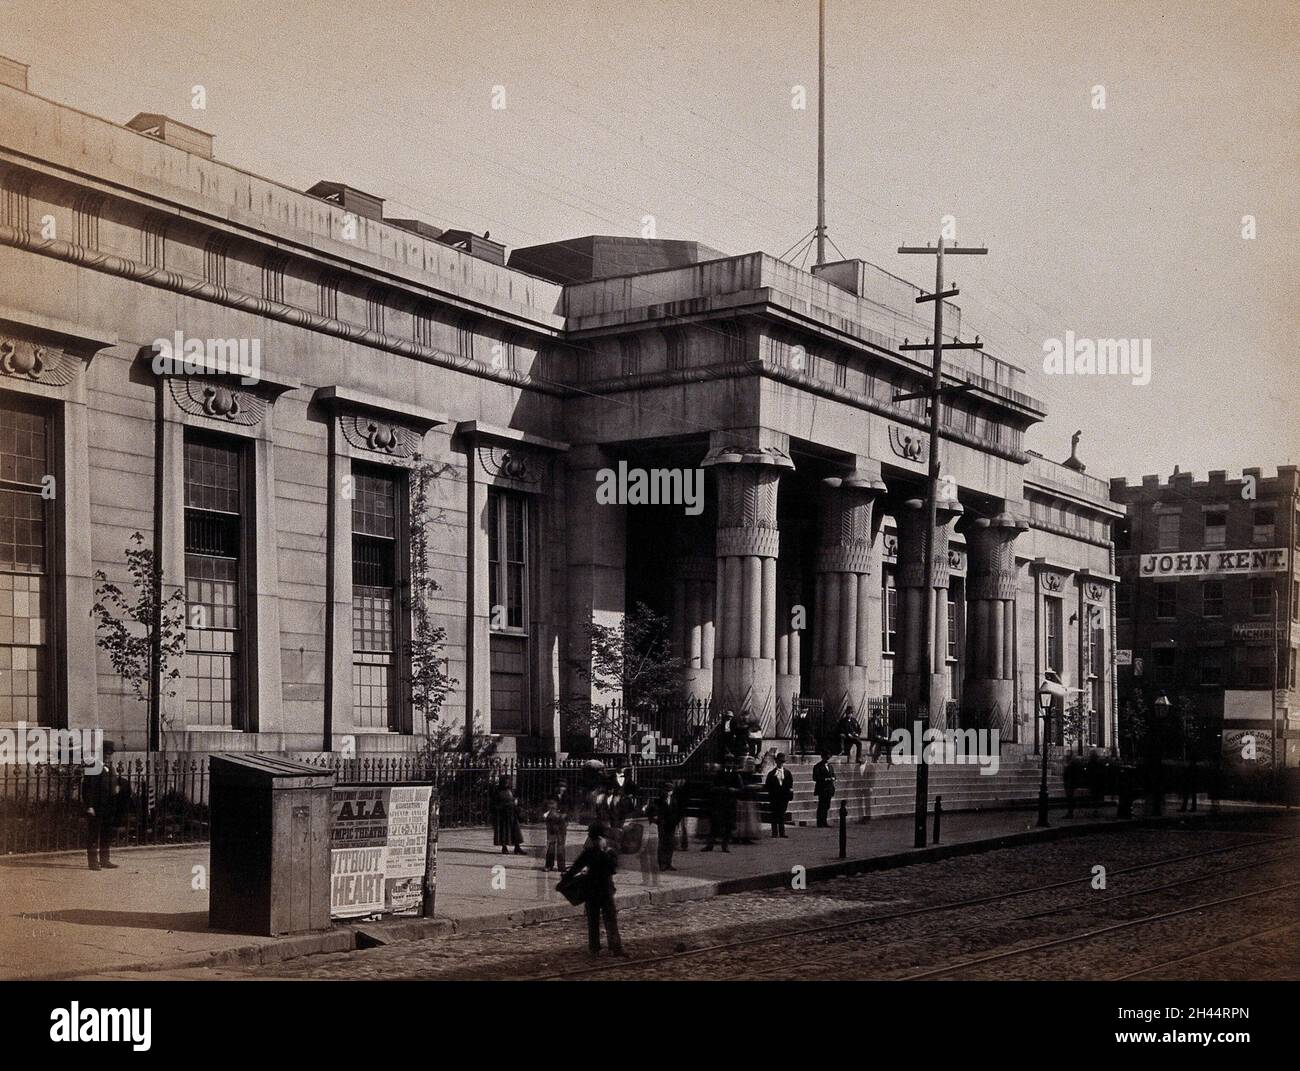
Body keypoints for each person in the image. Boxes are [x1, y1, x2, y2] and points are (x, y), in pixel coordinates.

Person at [563, 822, 625, 956]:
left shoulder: (590, 853)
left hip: (592, 891)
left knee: (593, 920)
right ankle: (615, 948)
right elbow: (613, 869)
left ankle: (595, 948)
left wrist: (565, 880)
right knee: (609, 919)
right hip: (605, 891)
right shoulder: (607, 852)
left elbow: (575, 867)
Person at [82, 741, 125, 871]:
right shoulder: (93, 767)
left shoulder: (110, 768)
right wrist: (89, 806)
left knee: (106, 833)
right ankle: (93, 861)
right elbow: (87, 789)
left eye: (110, 754)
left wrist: (116, 788)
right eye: (105, 754)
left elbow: (112, 784)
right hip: (96, 806)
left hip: (108, 807)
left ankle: (105, 859)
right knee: (94, 834)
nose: (108, 756)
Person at [647, 781, 682, 870]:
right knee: (662, 843)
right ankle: (662, 863)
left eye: (670, 791)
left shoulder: (675, 800)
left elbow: (678, 813)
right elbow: (652, 811)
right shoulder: (659, 800)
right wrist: (657, 820)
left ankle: (668, 863)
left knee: (670, 843)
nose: (668, 793)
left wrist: (676, 822)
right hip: (662, 824)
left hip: (671, 824)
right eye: (667, 791)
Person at [702, 765, 736, 852]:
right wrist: (722, 789)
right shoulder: (719, 774)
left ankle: (725, 845)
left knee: (728, 825)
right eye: (727, 762)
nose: (728, 764)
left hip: (730, 803)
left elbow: (740, 788)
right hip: (719, 802)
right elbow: (711, 787)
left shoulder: (736, 775)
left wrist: (734, 790)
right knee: (715, 824)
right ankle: (710, 844)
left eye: (730, 762)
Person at [764, 752, 794, 838]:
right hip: (774, 797)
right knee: (774, 815)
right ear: (776, 761)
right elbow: (768, 785)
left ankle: (782, 832)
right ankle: (774, 832)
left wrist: (789, 795)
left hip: (784, 797)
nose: (780, 763)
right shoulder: (772, 773)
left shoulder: (787, 773)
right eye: (779, 761)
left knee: (782, 814)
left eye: (782, 762)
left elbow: (790, 784)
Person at [494, 775, 525, 855]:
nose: (507, 783)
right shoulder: (498, 792)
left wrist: (516, 803)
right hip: (503, 815)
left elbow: (516, 799)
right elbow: (495, 804)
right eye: (505, 782)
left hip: (512, 813)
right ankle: (504, 847)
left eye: (508, 781)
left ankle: (517, 847)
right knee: (504, 831)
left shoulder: (511, 791)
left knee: (516, 831)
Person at [543, 795, 568, 871]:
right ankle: (549, 865)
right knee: (551, 846)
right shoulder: (549, 809)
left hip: (561, 826)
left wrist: (560, 816)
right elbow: (545, 815)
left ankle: (561, 866)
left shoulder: (564, 802)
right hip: (551, 826)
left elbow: (566, 814)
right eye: (550, 804)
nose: (551, 805)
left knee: (560, 846)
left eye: (553, 803)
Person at [812, 751, 837, 828]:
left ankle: (824, 821)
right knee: (821, 805)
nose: (827, 759)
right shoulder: (817, 766)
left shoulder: (830, 766)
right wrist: (825, 779)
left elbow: (834, 775)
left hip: (829, 788)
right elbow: (815, 777)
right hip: (822, 788)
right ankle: (820, 822)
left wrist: (833, 778)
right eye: (826, 757)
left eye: (828, 758)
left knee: (827, 805)